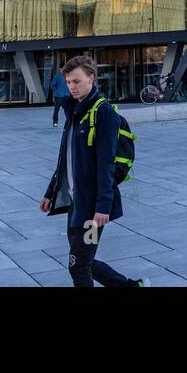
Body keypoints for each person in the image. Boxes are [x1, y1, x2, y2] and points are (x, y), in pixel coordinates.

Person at [40, 55, 146, 288]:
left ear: (91, 78)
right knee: (83, 260)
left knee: (78, 266)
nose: (71, 87)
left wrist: (102, 207)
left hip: (92, 208)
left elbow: (106, 163)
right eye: (68, 82)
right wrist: (50, 192)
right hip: (75, 205)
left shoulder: (103, 113)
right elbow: (66, 160)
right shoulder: (75, 112)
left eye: (76, 81)